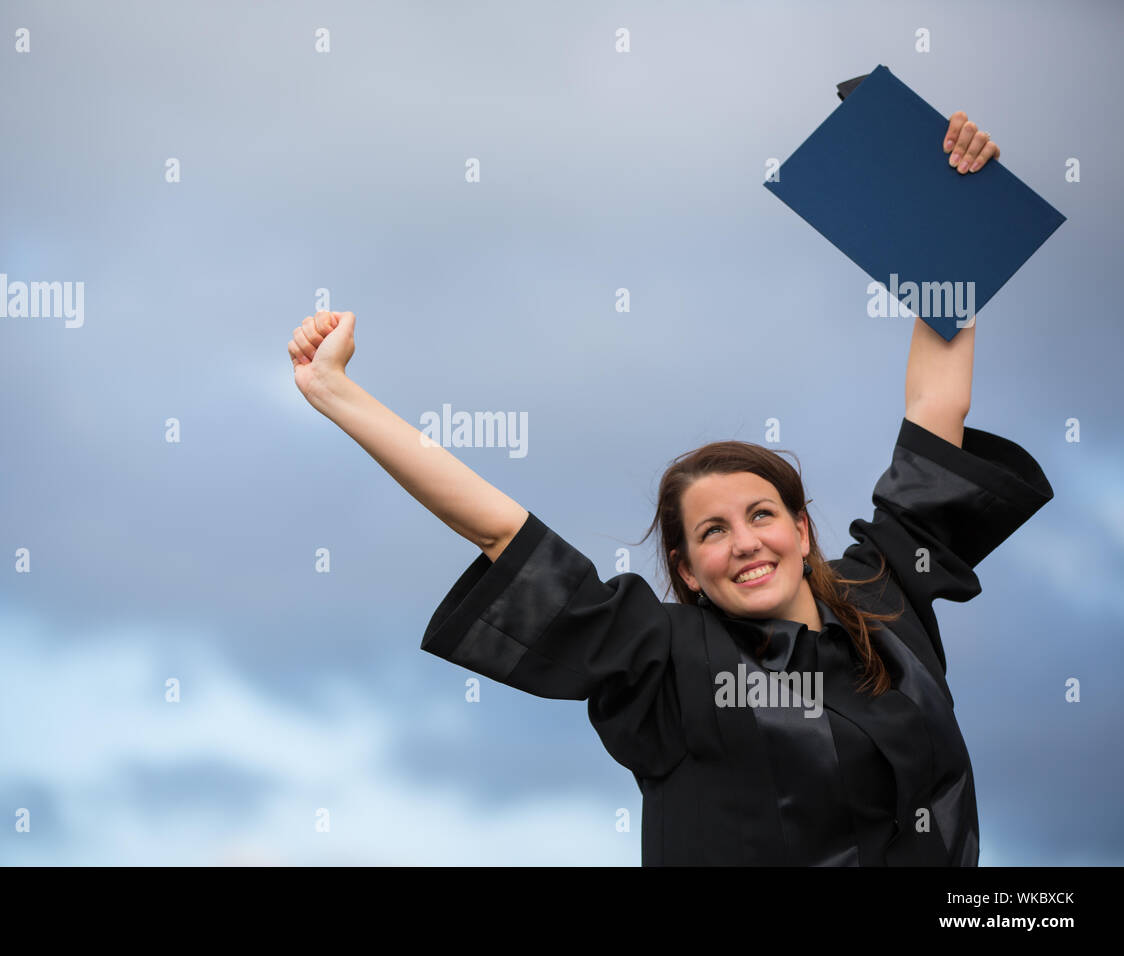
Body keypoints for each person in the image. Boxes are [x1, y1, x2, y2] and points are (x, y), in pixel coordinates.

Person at [286, 110, 1049, 866]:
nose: (745, 541)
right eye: (712, 532)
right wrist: (336, 394)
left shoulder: (885, 595)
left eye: (760, 514)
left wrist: (949, 203)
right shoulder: (666, 658)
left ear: (802, 529)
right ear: (685, 569)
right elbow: (499, 532)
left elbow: (935, 409)